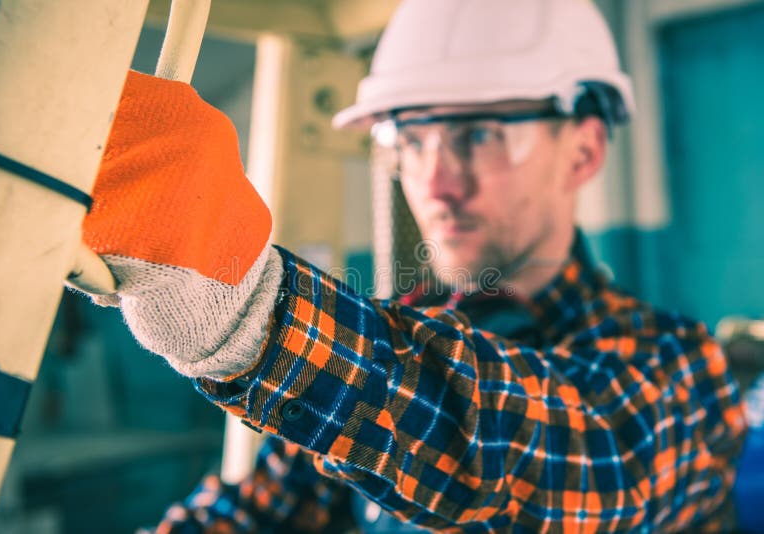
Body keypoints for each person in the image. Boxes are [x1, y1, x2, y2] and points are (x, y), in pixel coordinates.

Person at [80, 0, 747, 531]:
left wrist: (248, 312)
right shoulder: (404, 332)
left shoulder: (680, 372)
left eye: (481, 135)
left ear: (583, 152)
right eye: (410, 138)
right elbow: (266, 505)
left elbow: (551, 459)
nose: (434, 183)